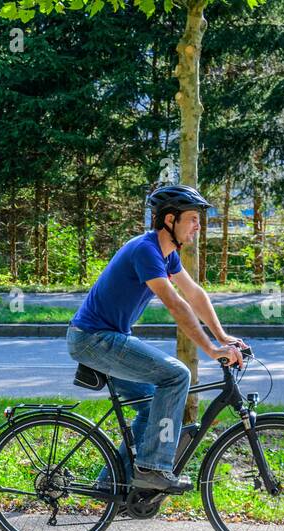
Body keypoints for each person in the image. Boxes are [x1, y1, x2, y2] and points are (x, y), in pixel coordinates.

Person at [66, 184, 247, 493]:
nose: (198, 227)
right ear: (169, 220)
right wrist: (211, 349)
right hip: (94, 339)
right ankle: (153, 467)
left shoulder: (166, 255)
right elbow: (176, 304)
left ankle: (112, 484)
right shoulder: (146, 251)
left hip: (105, 338)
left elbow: (194, 294)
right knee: (177, 375)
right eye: (192, 219)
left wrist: (222, 335)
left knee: (150, 406)